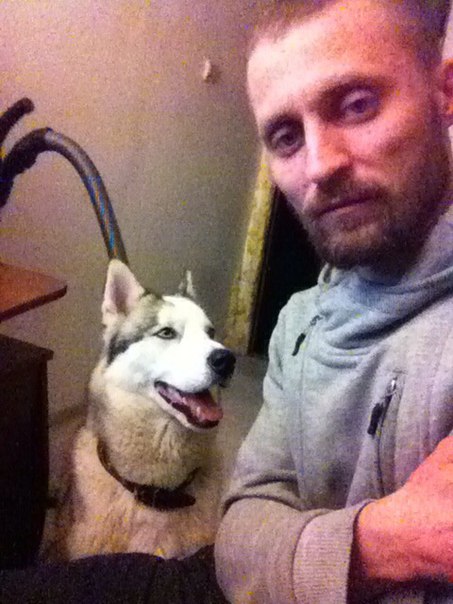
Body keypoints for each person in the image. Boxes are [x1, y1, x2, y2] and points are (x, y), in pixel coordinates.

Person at [214, 1, 453, 603]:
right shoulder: (298, 325)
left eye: (357, 105)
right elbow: (237, 541)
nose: (320, 166)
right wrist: (386, 543)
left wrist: (300, 555)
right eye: (286, 137)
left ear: (445, 93)